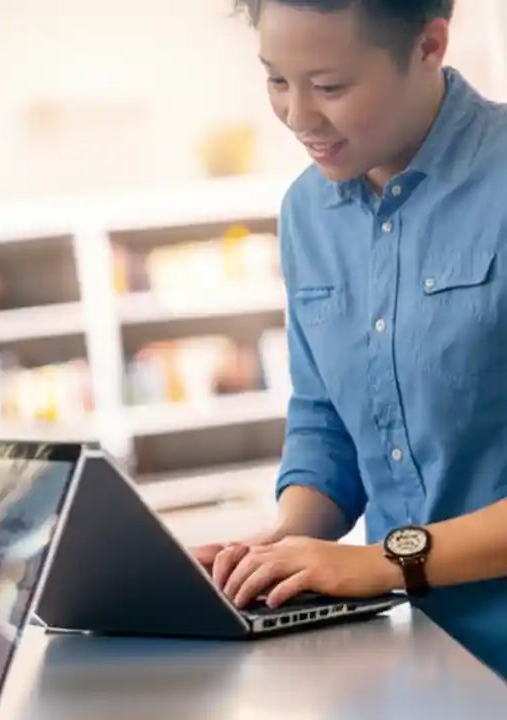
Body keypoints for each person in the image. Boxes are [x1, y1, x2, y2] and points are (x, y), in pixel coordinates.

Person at [197, 0, 507, 677]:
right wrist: (271, 553)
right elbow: (327, 424)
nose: (298, 116)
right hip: (409, 657)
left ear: (429, 47)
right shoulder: (306, 213)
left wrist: (378, 563)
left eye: (330, 86)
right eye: (277, 80)